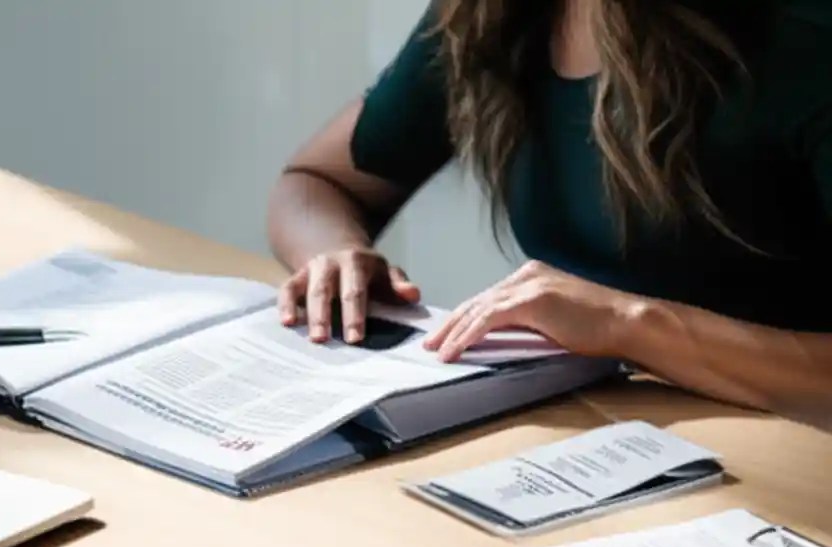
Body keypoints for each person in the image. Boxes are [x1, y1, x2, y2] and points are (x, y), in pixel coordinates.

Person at [267, 0, 832, 427]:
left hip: (789, 469)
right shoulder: (489, 16)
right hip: (598, 443)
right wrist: (334, 257)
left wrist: (631, 326)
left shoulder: (802, 38)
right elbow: (315, 184)